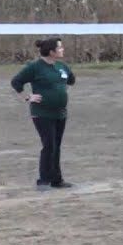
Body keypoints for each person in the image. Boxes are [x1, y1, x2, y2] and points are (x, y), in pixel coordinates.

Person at [10, 37, 75, 189]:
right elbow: (16, 82)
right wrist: (28, 97)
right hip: (42, 113)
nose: (62, 50)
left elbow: (71, 80)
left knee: (56, 146)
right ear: (51, 51)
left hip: (60, 113)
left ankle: (56, 180)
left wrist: (60, 93)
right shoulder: (35, 67)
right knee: (49, 145)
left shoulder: (61, 66)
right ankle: (44, 180)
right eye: (59, 48)